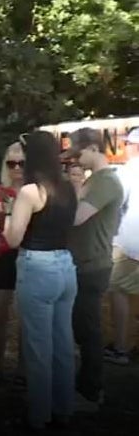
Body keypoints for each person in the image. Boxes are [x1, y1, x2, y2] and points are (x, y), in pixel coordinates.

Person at [3, 131, 78, 431]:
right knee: (62, 343)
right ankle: (63, 409)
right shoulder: (70, 189)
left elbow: (12, 239)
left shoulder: (30, 192)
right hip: (65, 266)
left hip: (38, 266)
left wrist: (8, 217)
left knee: (38, 346)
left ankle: (38, 416)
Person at [63, 127, 124, 412]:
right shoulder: (97, 180)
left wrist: (74, 187)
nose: (75, 159)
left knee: (88, 331)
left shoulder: (104, 182)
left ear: (93, 149)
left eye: (78, 152)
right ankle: (85, 387)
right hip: (85, 264)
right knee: (83, 328)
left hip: (91, 266)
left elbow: (76, 217)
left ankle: (90, 392)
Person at [0, 140, 26, 389]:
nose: (17, 167)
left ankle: (23, 368)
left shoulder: (35, 190)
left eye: (22, 162)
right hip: (3, 256)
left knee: (25, 317)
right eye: (11, 163)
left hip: (28, 256)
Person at [107, 127, 139, 365]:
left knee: (118, 291)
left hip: (128, 242)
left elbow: (117, 206)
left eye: (127, 144)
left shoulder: (127, 172)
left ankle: (120, 347)